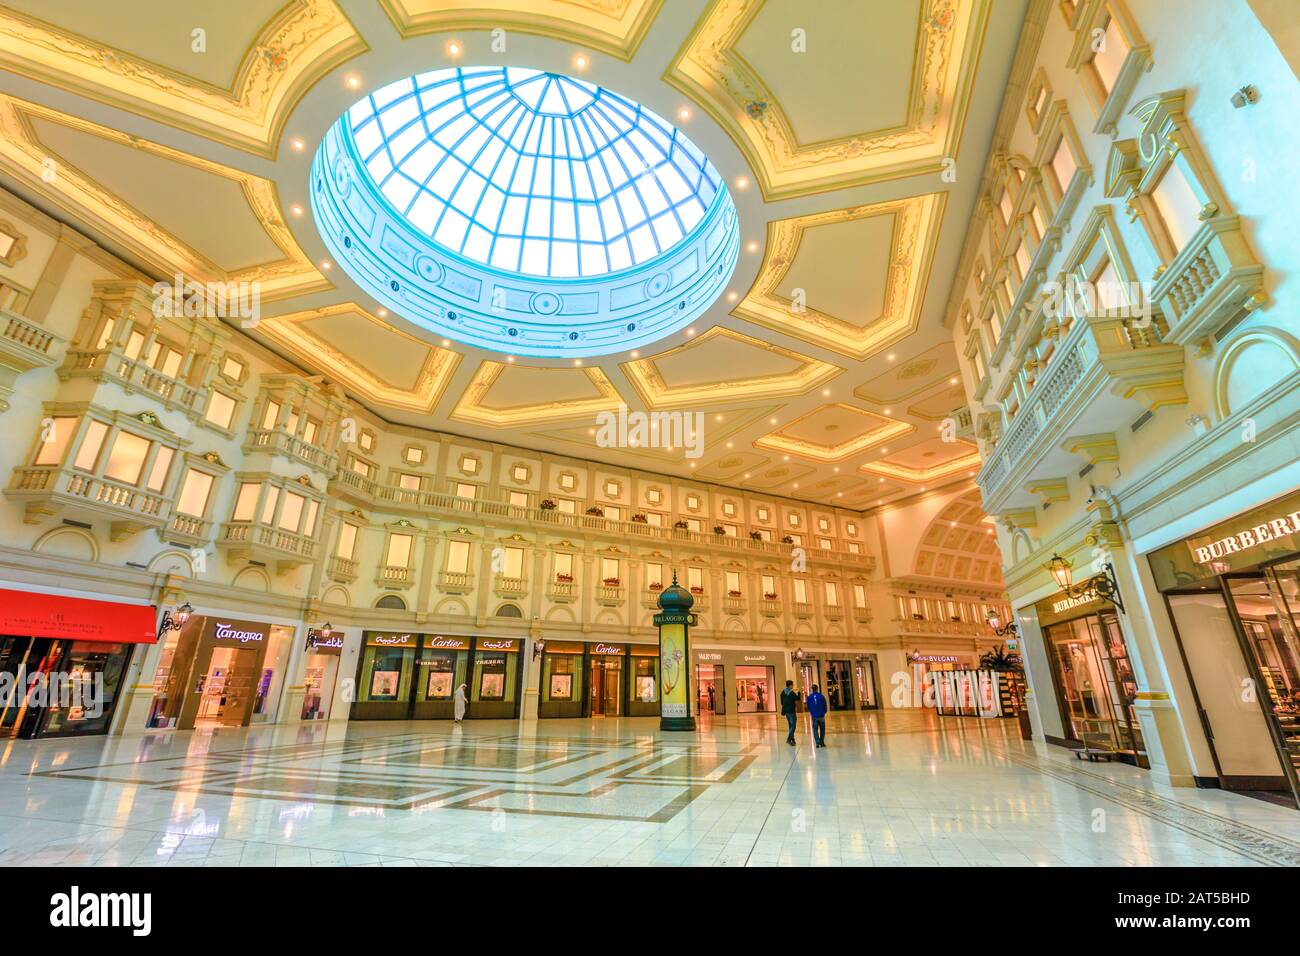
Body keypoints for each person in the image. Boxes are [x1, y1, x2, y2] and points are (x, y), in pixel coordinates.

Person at [779, 679, 801, 746]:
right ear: (790, 685)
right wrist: (799, 693)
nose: (793, 686)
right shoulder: (792, 693)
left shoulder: (783, 692)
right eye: (792, 685)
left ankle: (792, 739)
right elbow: (798, 699)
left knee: (790, 726)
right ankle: (789, 739)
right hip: (791, 711)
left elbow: (782, 702)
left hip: (786, 712)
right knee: (793, 726)